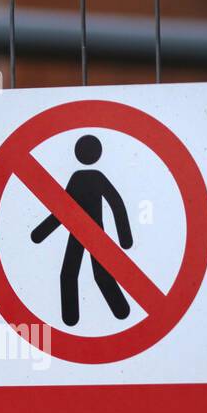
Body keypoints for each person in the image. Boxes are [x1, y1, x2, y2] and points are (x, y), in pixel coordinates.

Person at [30, 134, 133, 326]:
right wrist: (124, 238)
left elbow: (62, 208)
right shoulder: (92, 177)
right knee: (93, 274)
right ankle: (117, 310)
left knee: (72, 273)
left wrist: (41, 233)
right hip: (87, 234)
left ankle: (113, 311)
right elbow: (116, 204)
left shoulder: (79, 178)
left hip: (84, 234)